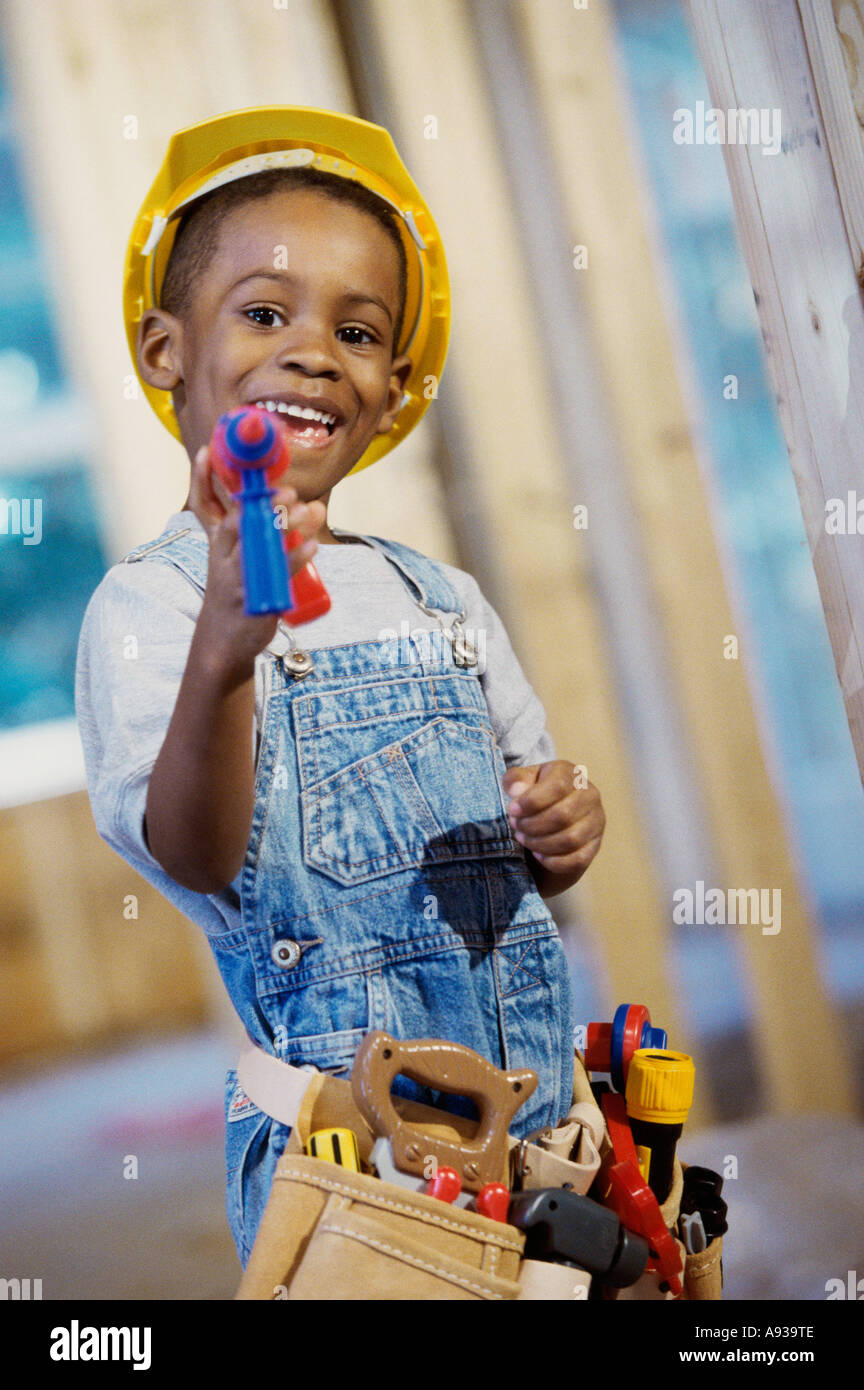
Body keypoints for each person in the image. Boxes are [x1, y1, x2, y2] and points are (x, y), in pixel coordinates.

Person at [75, 107, 606, 1267]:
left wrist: (569, 818)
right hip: (357, 1166)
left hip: (541, 1129)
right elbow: (196, 851)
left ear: (396, 385)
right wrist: (227, 643)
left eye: (358, 331)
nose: (315, 350)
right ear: (168, 351)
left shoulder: (442, 598)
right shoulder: (152, 608)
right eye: (264, 313)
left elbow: (535, 816)